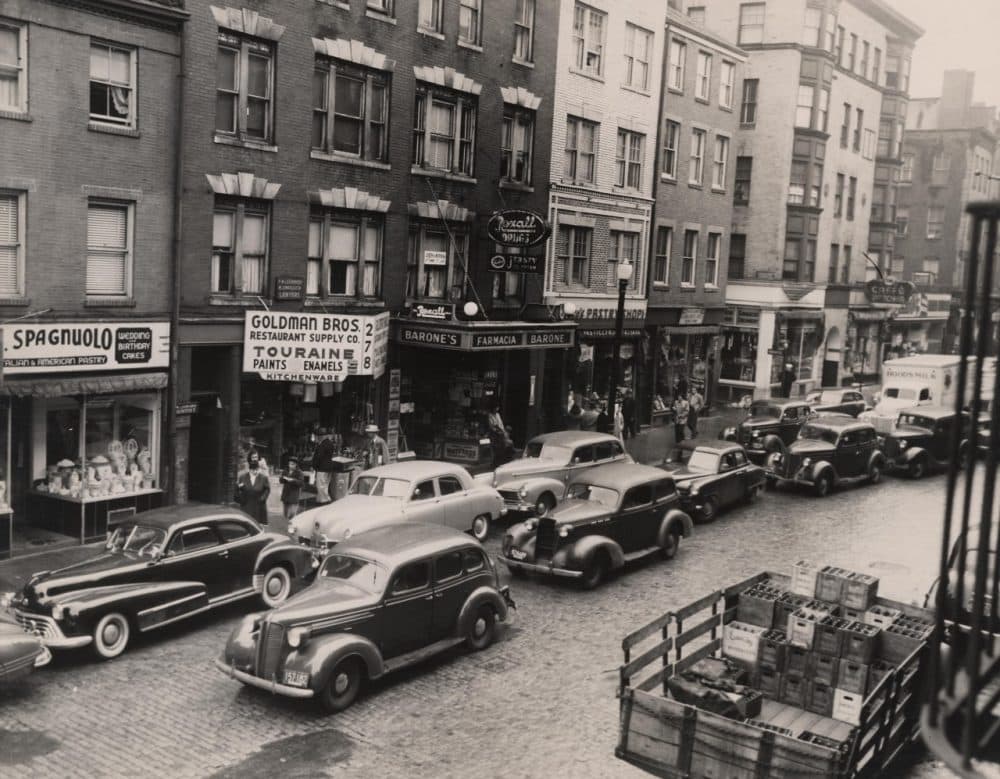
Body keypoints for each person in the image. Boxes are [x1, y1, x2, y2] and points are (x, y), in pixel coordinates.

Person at [237, 451, 270, 525]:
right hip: (247, 504)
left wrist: (262, 499)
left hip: (258, 504)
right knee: (246, 523)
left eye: (257, 469)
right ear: (249, 469)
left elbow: (267, 489)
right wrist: (241, 499)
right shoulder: (243, 477)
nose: (255, 472)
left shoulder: (263, 477)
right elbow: (238, 490)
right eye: (253, 470)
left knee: (257, 524)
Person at [311, 428, 336, 504]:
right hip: (329, 468)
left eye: (318, 436)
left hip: (322, 468)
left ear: (320, 436)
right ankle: (321, 500)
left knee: (320, 486)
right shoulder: (330, 443)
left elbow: (319, 457)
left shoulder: (322, 445)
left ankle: (325, 501)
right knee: (325, 485)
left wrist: (314, 465)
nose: (317, 438)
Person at [279, 455, 304, 521]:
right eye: (289, 464)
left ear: (296, 465)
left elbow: (301, 483)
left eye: (292, 464)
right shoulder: (285, 471)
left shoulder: (299, 472)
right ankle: (285, 526)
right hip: (286, 494)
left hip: (294, 495)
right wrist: (282, 478)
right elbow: (281, 481)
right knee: (285, 513)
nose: (290, 466)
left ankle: (291, 526)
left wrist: (293, 480)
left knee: (292, 514)